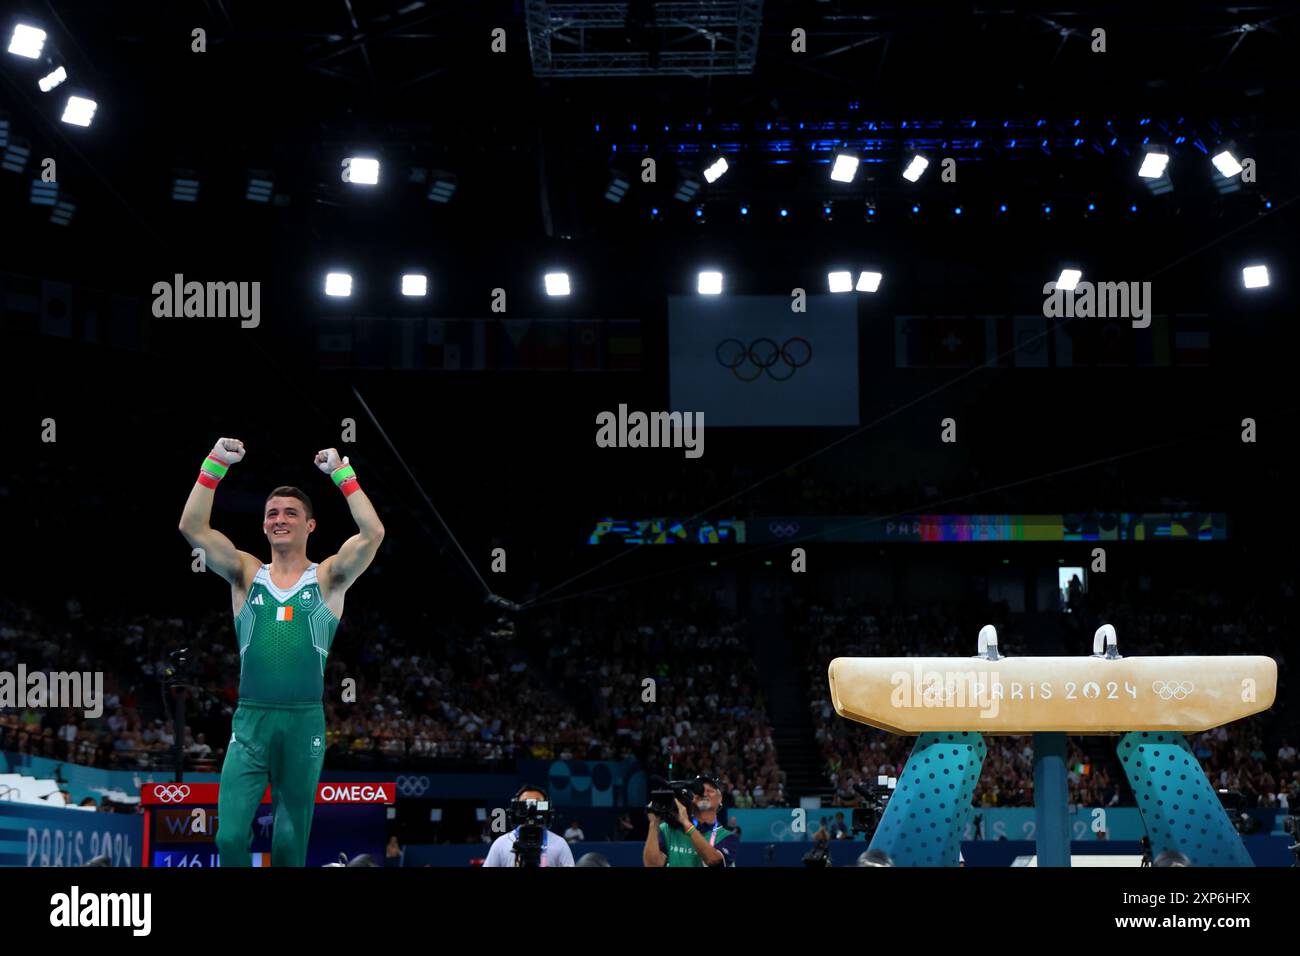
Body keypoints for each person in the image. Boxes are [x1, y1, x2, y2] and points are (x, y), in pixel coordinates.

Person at [180, 437, 384, 866]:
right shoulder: (245, 573)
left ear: (310, 526)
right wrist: (214, 462)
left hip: (303, 724)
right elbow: (192, 528)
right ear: (263, 525)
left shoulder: (328, 578)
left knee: (290, 848)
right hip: (250, 722)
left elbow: (373, 532)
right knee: (230, 838)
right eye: (272, 513)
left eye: (291, 513)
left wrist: (342, 475)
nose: (279, 519)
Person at [642, 775, 738, 867]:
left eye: (710, 791)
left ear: (720, 798)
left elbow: (713, 861)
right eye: (699, 790)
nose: (704, 793)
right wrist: (654, 823)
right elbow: (652, 865)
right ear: (692, 797)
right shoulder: (668, 829)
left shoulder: (727, 837)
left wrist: (686, 823)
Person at [482, 785, 575, 867]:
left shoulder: (559, 843)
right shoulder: (501, 843)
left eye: (537, 803)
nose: (531, 809)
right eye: (524, 803)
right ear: (516, 808)